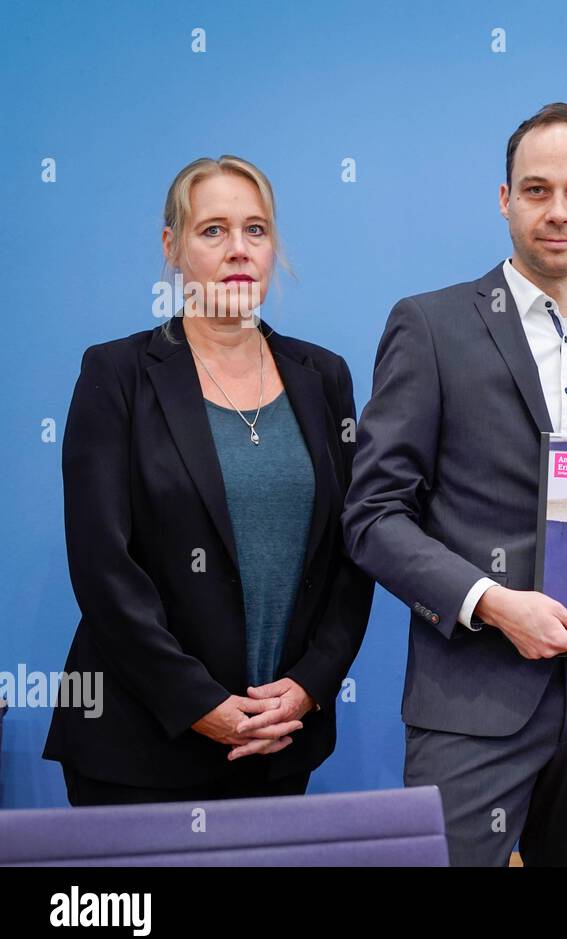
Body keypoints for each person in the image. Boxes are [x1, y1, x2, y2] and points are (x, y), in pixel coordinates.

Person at [341, 103, 567, 867]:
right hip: (471, 696)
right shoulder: (430, 324)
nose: (558, 211)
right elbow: (374, 517)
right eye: (536, 189)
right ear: (504, 198)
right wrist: (494, 605)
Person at [44, 155, 374, 805]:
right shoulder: (119, 375)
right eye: (213, 230)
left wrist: (310, 685)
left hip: (278, 742)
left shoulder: (323, 377)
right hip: (140, 745)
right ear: (173, 247)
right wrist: (197, 702)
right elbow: (102, 565)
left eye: (255, 229)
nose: (238, 249)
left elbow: (351, 551)